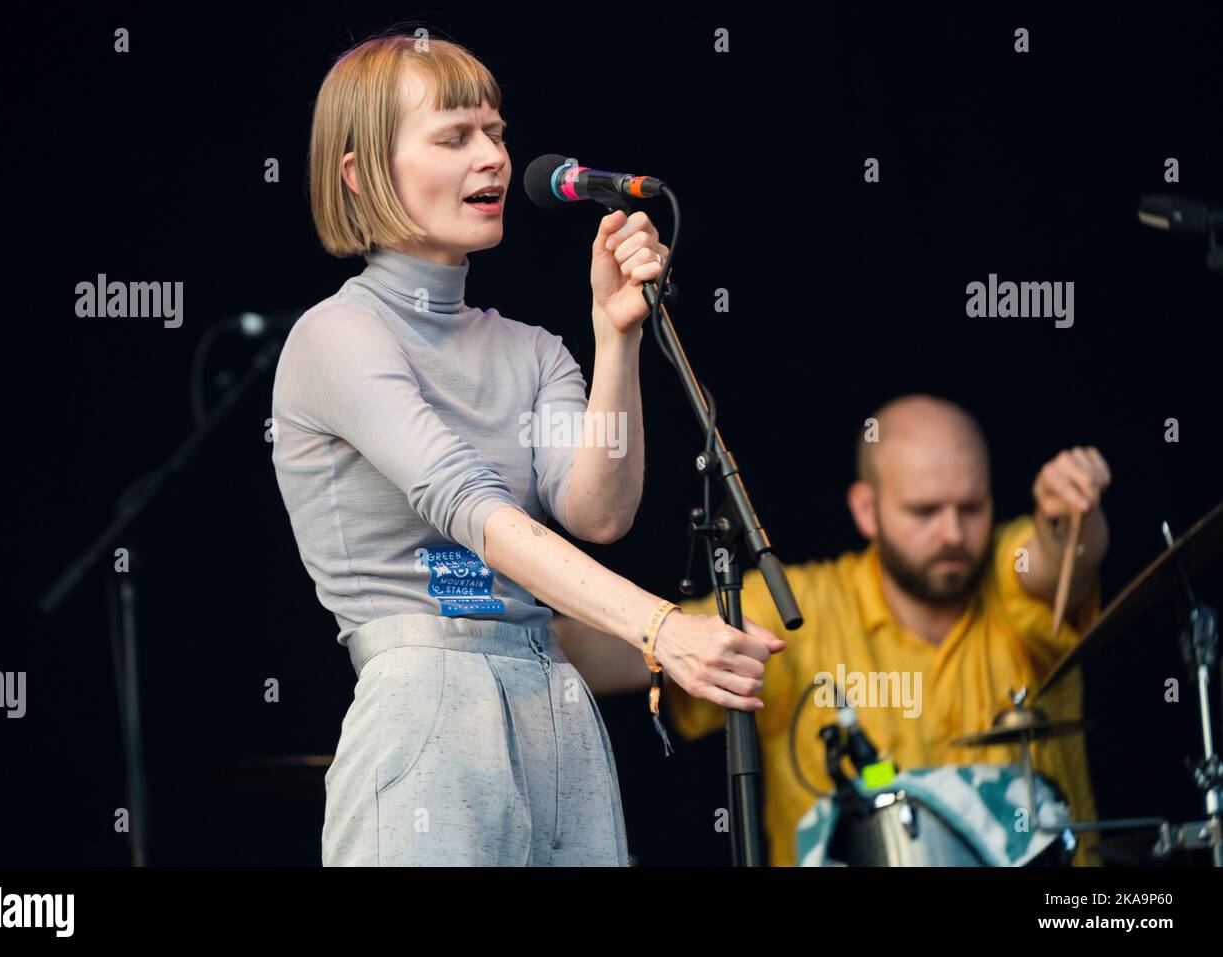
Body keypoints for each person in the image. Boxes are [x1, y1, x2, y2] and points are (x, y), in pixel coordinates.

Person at [270, 31, 783, 866]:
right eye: (454, 136)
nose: (495, 158)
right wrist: (661, 629)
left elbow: (598, 512)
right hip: (421, 699)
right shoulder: (336, 335)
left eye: (497, 132)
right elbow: (471, 507)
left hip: (556, 701)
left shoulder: (535, 351)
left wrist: (614, 338)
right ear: (360, 173)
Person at [554, 394, 1112, 866]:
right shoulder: (798, 609)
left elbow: (1059, 562)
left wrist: (1067, 521)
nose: (953, 533)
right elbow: (623, 653)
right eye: (924, 511)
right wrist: (509, 631)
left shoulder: (1007, 573)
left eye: (971, 508)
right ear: (866, 509)